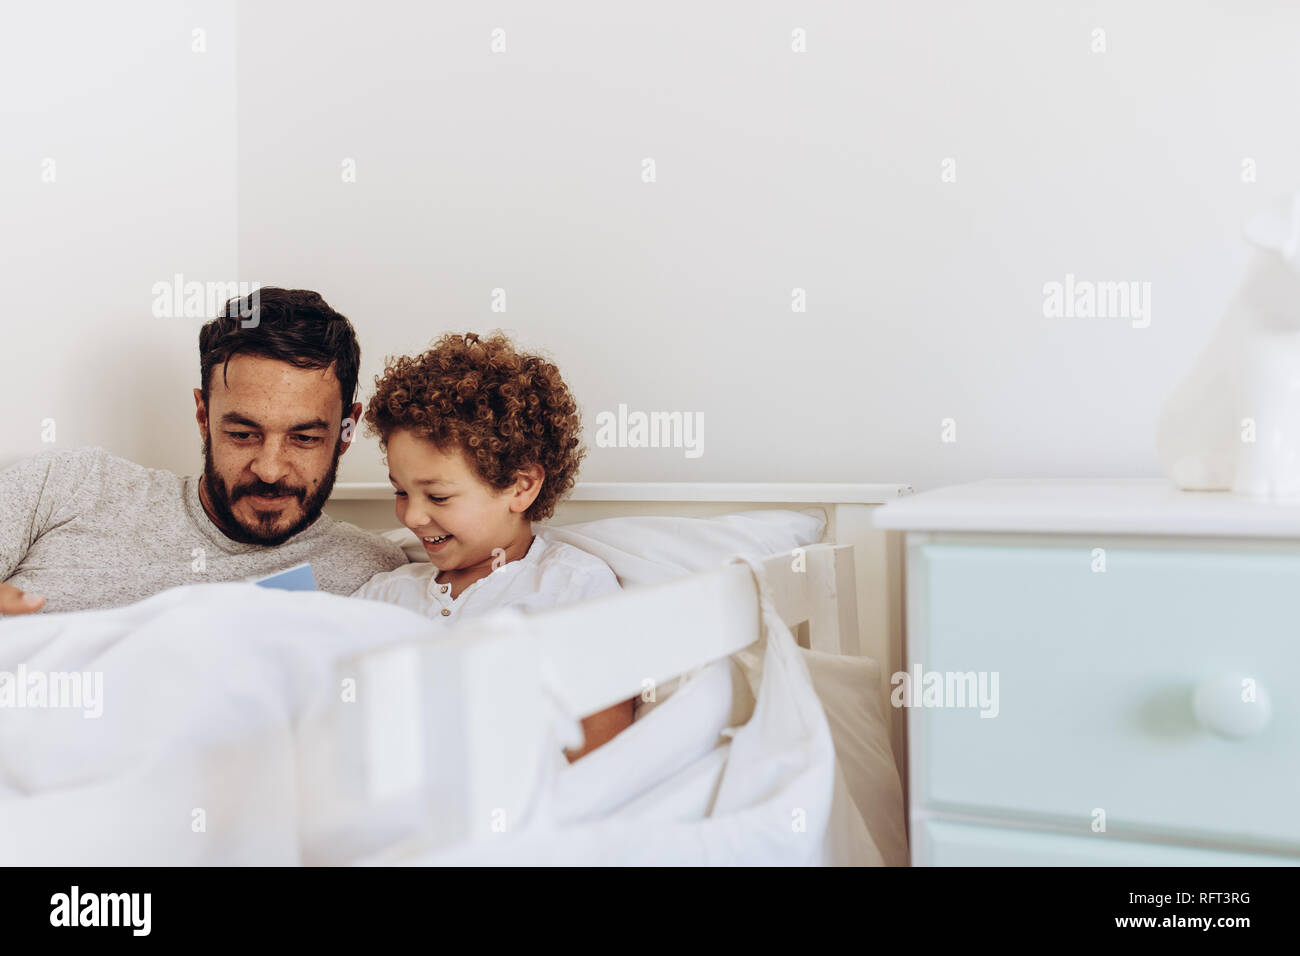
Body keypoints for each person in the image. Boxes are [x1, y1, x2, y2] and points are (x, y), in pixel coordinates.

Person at [0, 288, 406, 616]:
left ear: (347, 429)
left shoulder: (377, 575)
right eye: (243, 433)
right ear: (203, 415)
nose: (268, 470)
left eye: (304, 438)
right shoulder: (67, 485)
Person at [353, 331, 634, 760]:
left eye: (439, 497)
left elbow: (601, 753)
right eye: (400, 492)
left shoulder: (569, 587)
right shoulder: (384, 594)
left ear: (521, 487)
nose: (411, 517)